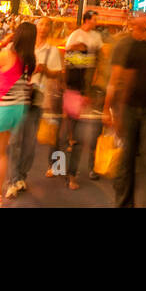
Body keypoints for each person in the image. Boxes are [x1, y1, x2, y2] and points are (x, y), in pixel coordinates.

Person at [104, 12, 146, 207]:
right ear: (133, 24)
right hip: (129, 109)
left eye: (145, 22)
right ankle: (124, 202)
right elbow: (116, 79)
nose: (144, 25)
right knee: (127, 160)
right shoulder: (125, 46)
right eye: (141, 22)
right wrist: (111, 109)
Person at [0, 22, 36, 208]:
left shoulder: (8, 55)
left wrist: (3, 41)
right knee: (1, 154)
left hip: (1, 107)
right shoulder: (29, 60)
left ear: (17, 36)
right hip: (17, 108)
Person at [8, 18, 62, 198]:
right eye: (41, 24)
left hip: (36, 99)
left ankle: (22, 175)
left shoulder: (52, 50)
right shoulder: (23, 46)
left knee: (29, 143)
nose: (44, 27)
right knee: (14, 140)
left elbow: (57, 73)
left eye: (47, 25)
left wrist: (44, 70)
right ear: (35, 27)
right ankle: (13, 179)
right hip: (17, 97)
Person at [60, 11, 103, 189]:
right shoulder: (76, 41)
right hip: (73, 93)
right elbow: (70, 70)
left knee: (72, 137)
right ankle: (62, 170)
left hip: (78, 93)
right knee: (67, 136)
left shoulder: (90, 48)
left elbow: (82, 71)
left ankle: (68, 173)